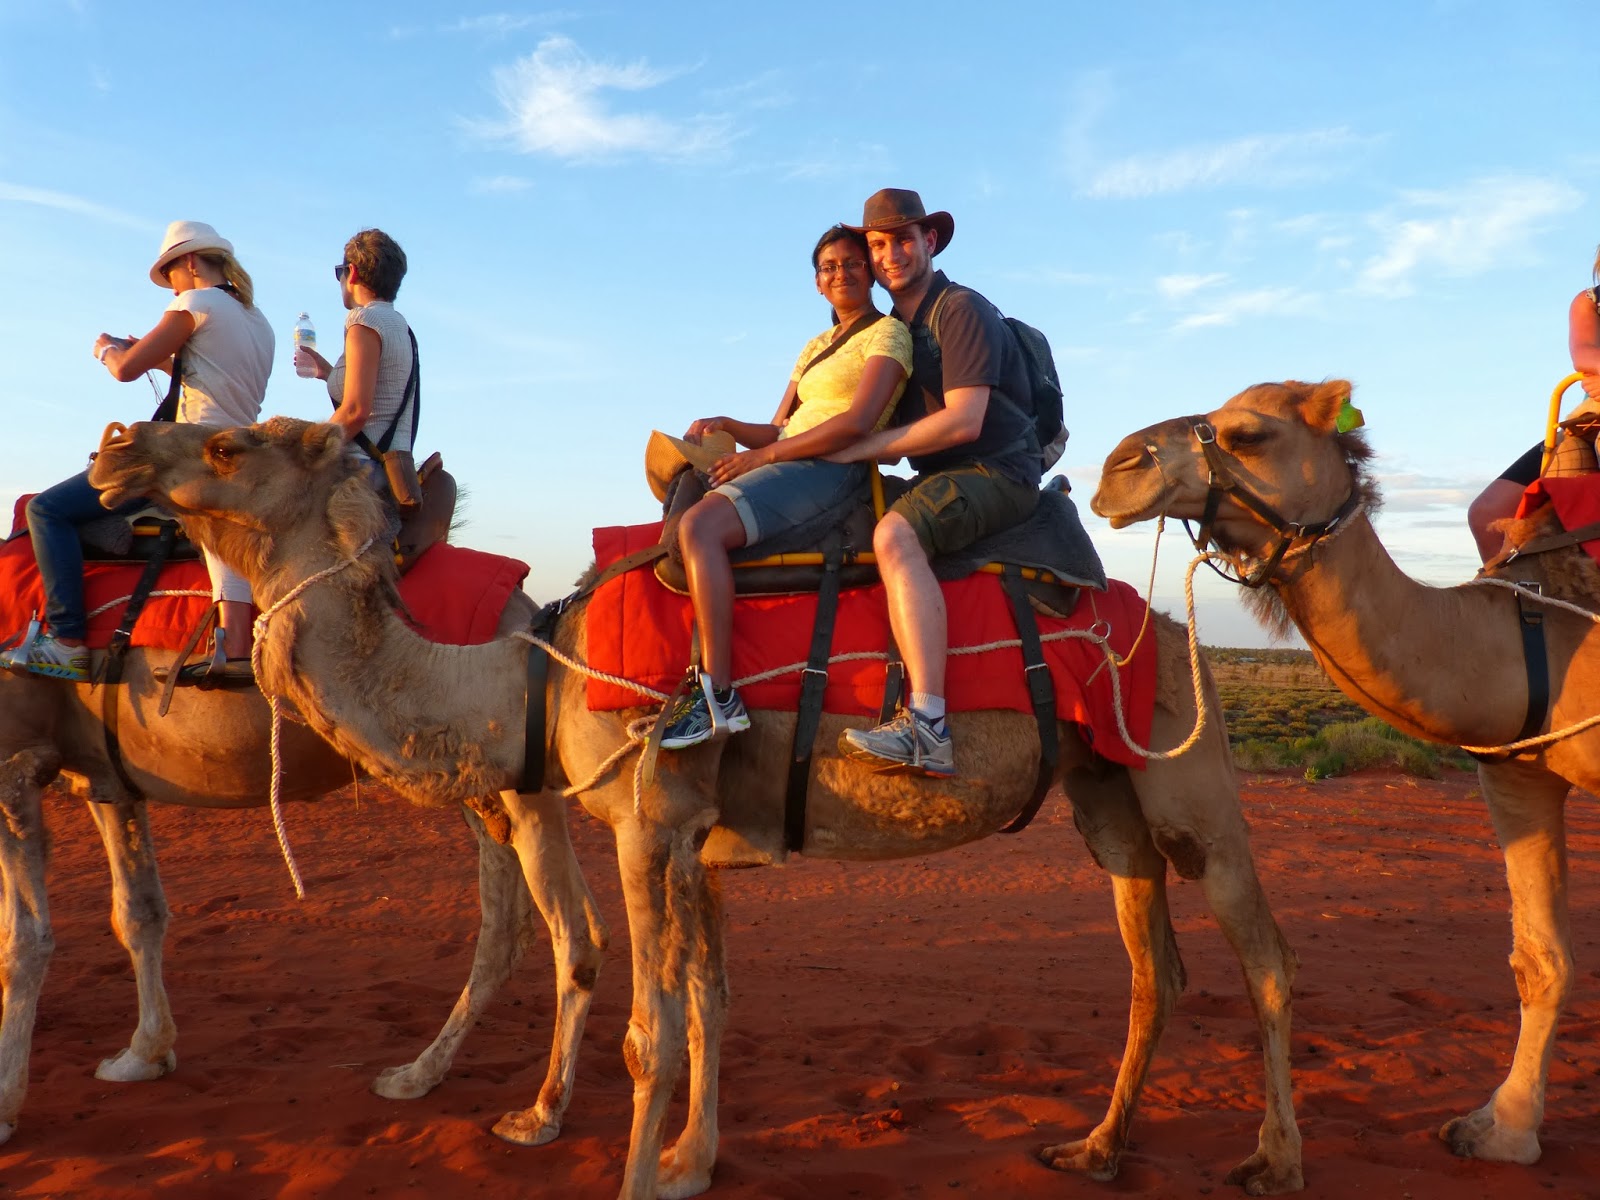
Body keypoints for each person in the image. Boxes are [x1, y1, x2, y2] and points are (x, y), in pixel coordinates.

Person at [660, 225, 912, 749]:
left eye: (851, 263)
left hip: (833, 466)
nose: (840, 272)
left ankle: (718, 698)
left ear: (868, 272)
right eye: (828, 267)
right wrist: (728, 424)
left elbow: (858, 422)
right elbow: (780, 426)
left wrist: (762, 457)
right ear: (817, 284)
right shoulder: (816, 346)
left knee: (701, 526)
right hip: (791, 454)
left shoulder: (888, 335)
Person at [828, 189, 1044, 777]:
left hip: (996, 469)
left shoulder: (959, 310)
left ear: (930, 241)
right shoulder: (894, 329)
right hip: (946, 473)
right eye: (877, 244)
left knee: (895, 538)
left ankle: (928, 726)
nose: (891, 254)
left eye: (903, 240)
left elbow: (964, 419)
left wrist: (861, 448)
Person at [6, 221, 272, 683]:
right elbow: (207, 372)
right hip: (236, 454)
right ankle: (236, 643)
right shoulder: (256, 320)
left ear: (188, 262)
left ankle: (66, 640)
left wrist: (109, 350)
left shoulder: (194, 302)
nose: (170, 290)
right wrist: (153, 352)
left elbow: (127, 371)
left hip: (184, 452)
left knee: (47, 511)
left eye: (170, 278)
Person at [1467, 248, 1600, 561]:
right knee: (1488, 513)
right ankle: (1518, 603)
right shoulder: (1590, 302)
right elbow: (1584, 354)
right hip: (1590, 421)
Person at [294, 229, 416, 479]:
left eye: (340, 272)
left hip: (361, 471)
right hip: (391, 470)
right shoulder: (399, 325)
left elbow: (355, 411)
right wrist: (329, 374)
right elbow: (383, 394)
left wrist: (305, 451)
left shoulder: (363, 321)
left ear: (352, 273)